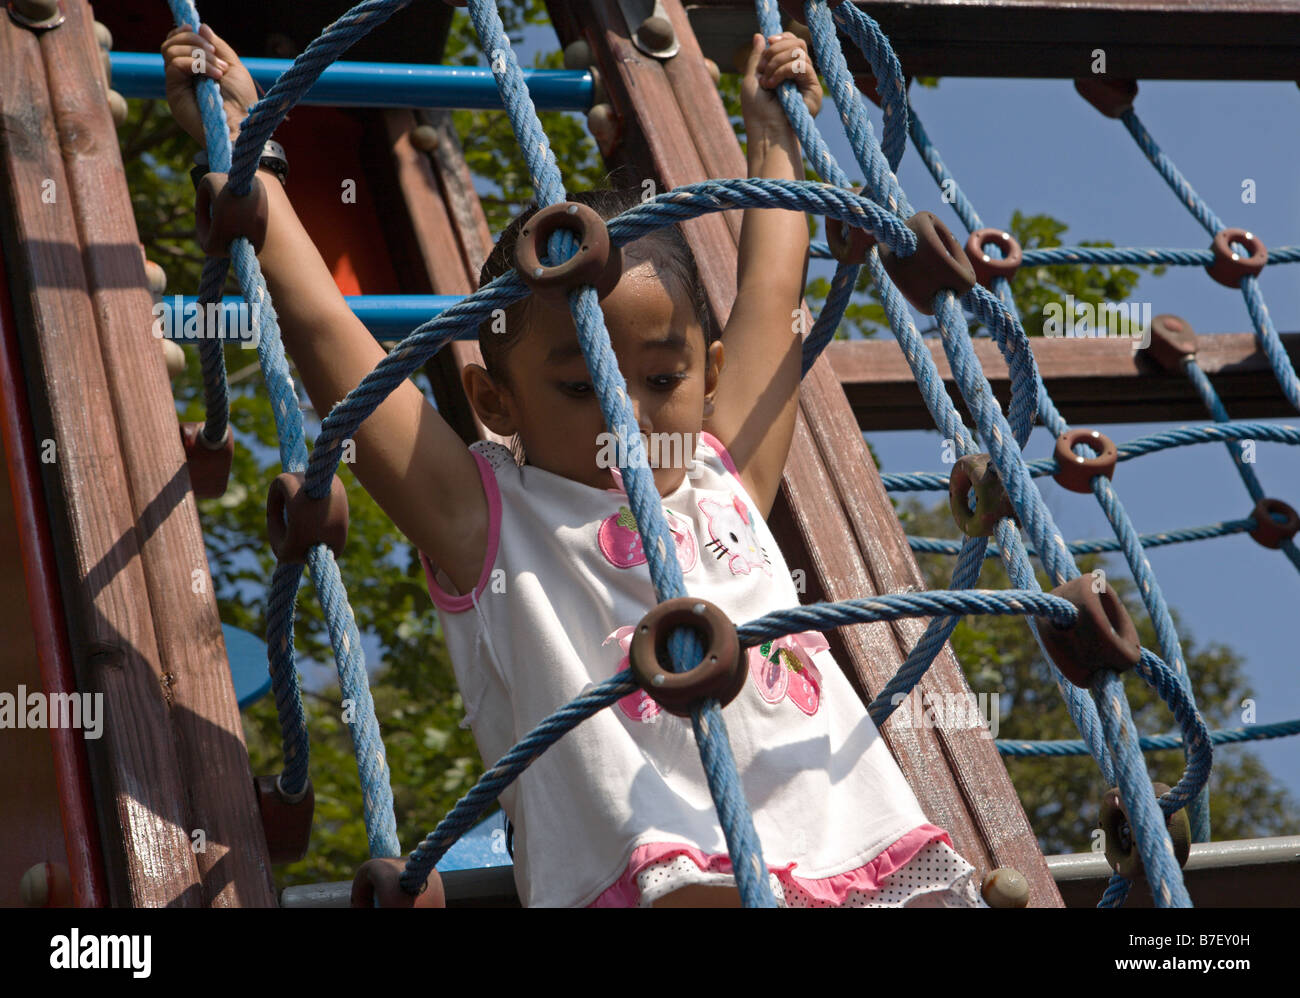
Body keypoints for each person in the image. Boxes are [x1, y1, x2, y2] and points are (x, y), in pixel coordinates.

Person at [163, 19, 989, 909]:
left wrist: (772, 133)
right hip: (658, 882)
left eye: (664, 376)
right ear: (494, 405)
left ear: (708, 376)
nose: (628, 411)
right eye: (579, 386)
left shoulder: (725, 475)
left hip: (856, 860)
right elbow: (332, 336)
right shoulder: (490, 521)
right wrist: (253, 153)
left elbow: (768, 294)